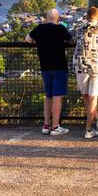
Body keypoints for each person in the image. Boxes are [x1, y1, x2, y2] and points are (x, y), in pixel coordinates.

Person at [26, 8, 73, 136]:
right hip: (59, 66)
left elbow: (27, 39)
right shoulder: (61, 29)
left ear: (46, 18)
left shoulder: (39, 28)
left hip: (45, 67)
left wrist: (38, 41)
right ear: (57, 18)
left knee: (48, 96)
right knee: (58, 97)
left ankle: (46, 125)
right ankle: (55, 126)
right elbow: (71, 40)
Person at [73, 6, 98, 139]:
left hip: (81, 64)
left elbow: (74, 40)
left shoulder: (77, 28)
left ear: (86, 16)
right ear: (97, 16)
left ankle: (96, 121)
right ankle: (88, 129)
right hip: (97, 65)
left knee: (86, 96)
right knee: (93, 97)